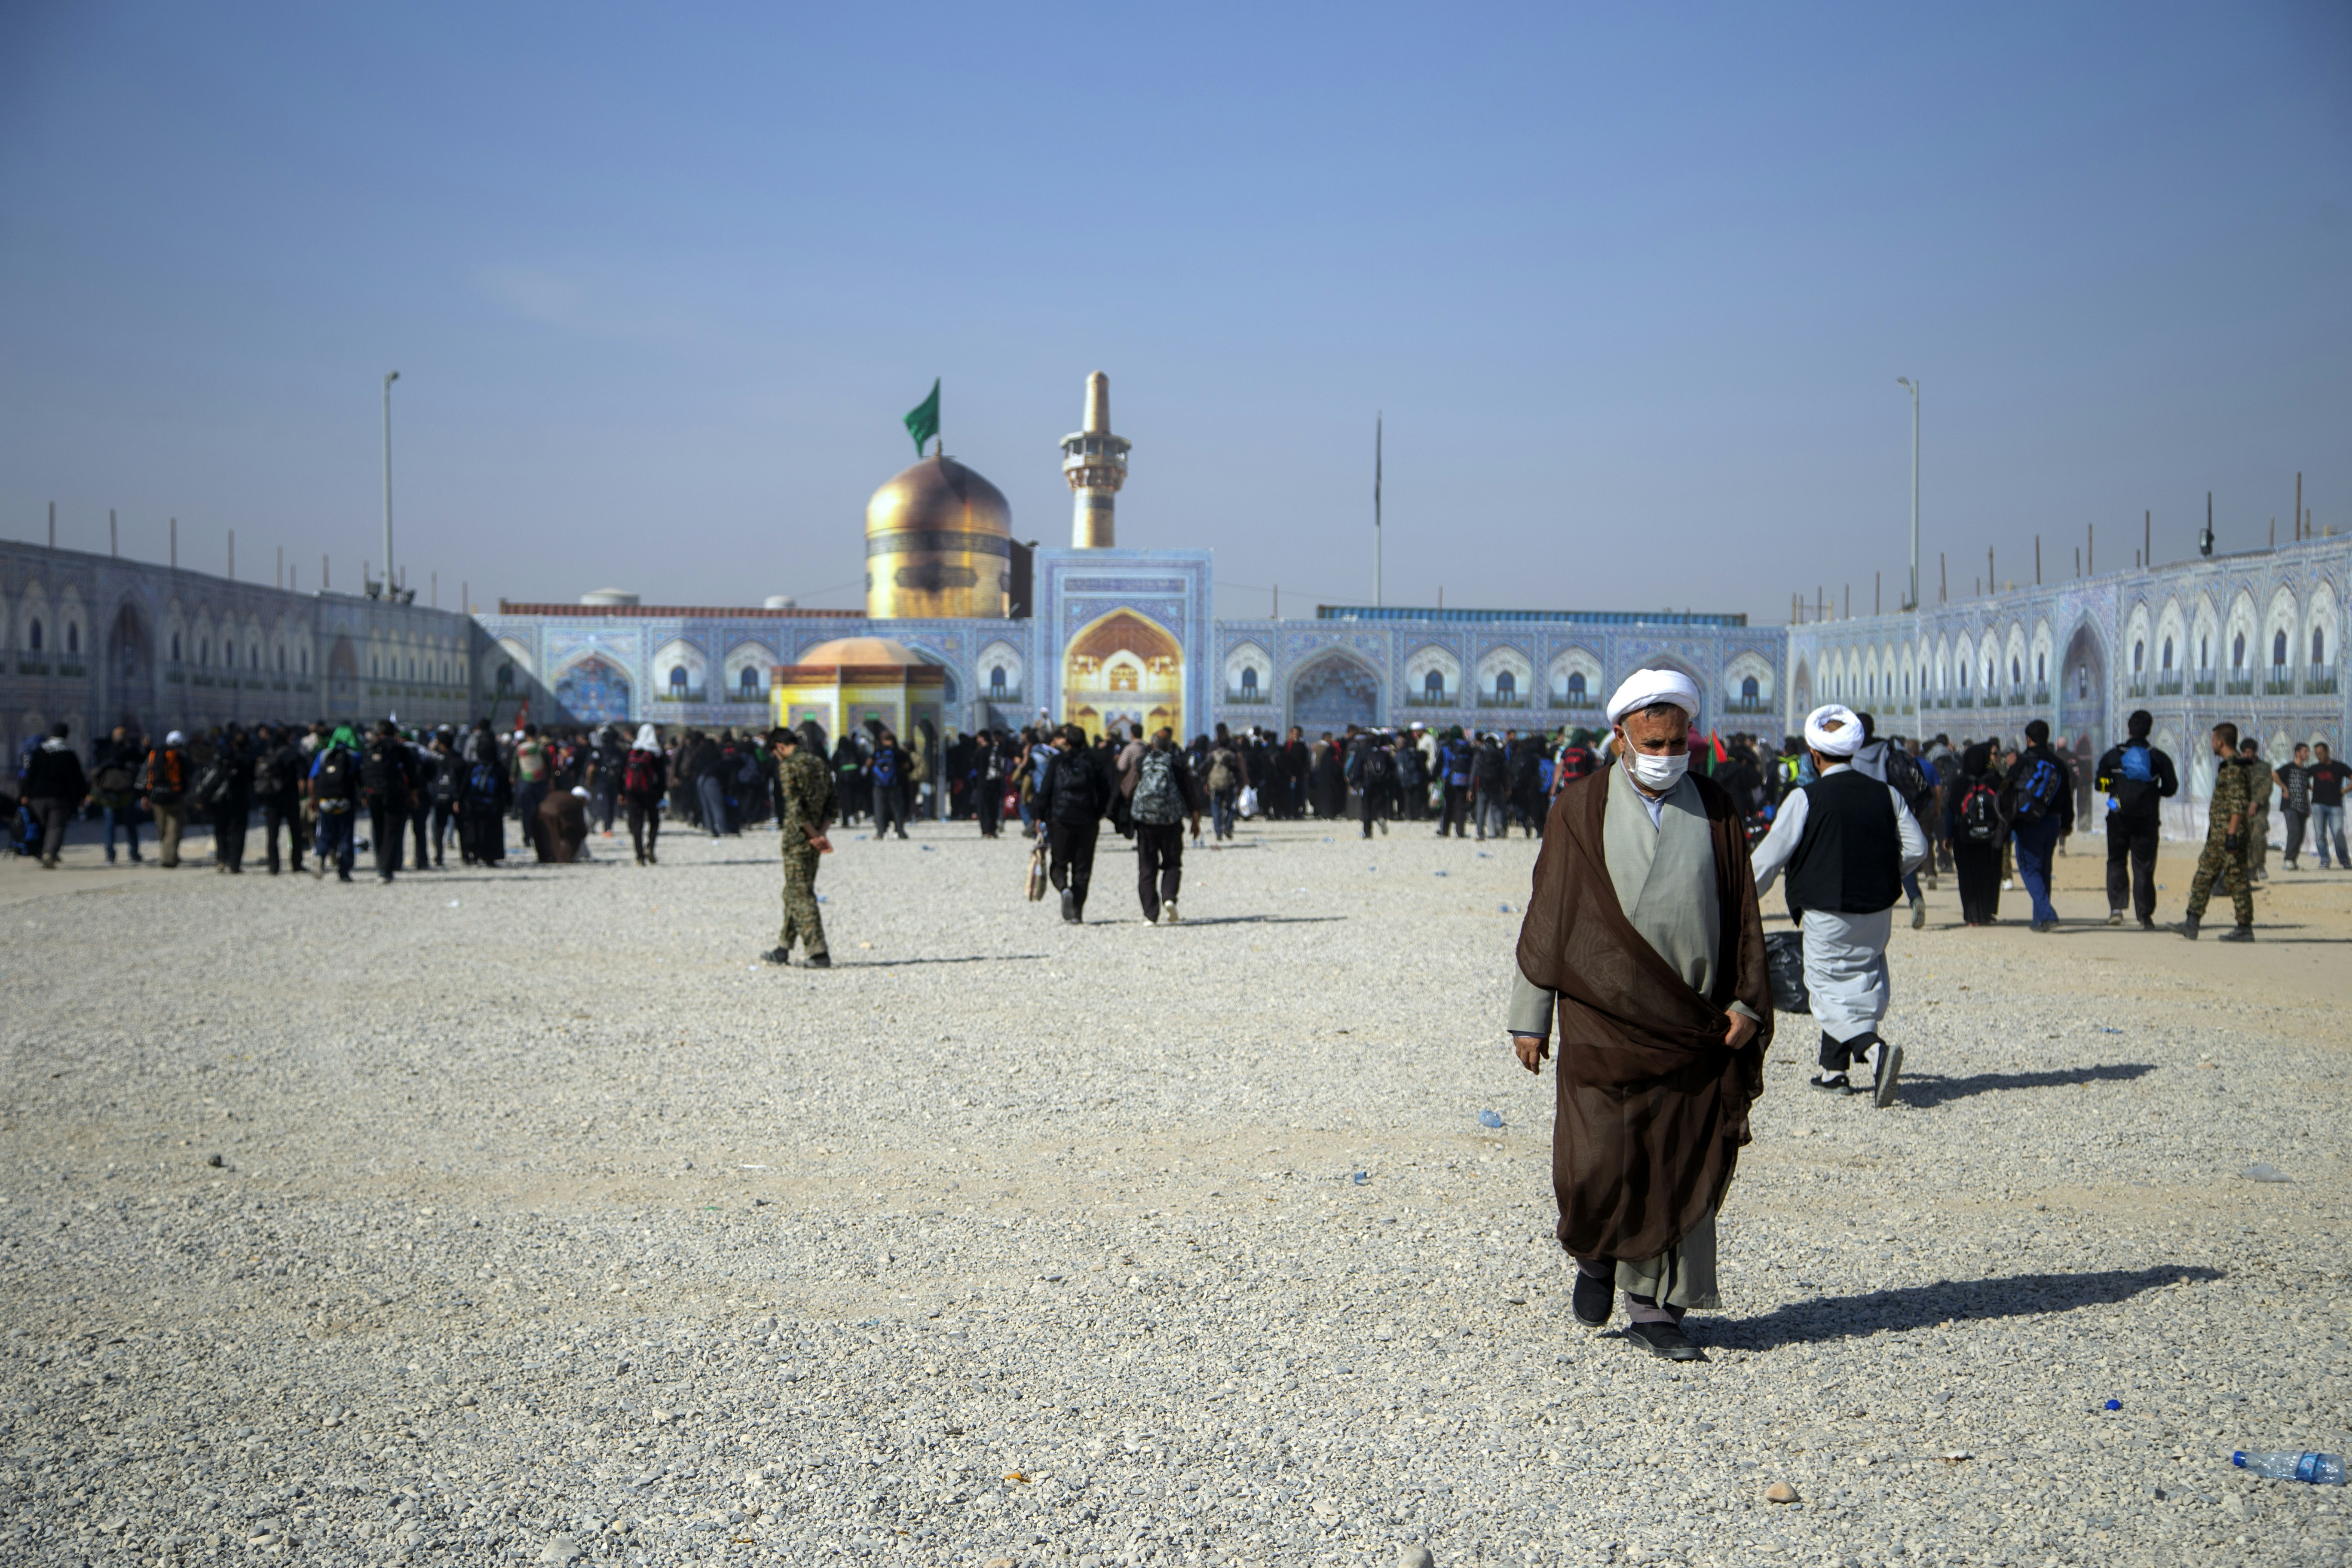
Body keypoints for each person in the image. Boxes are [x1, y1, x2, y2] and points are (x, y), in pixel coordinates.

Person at [1508, 668, 1772, 1363]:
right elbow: (1551, 912)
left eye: (1678, 740)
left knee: (1676, 1158)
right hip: (1601, 1020)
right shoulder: (1579, 807)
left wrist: (1746, 1000)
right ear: (1621, 738)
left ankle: (1655, 1304)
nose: (1667, 753)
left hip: (1692, 1024)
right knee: (1595, 1160)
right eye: (1654, 741)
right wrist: (1529, 1014)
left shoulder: (1714, 808)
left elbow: (1745, 912)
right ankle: (1596, 1252)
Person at [1750, 703, 1927, 1105]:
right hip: (1877, 910)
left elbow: (1769, 858)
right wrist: (1885, 872)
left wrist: (1742, 895)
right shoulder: (1887, 794)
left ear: (1815, 755)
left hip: (1826, 909)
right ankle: (1834, 1072)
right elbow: (1918, 848)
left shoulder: (1805, 797)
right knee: (1860, 980)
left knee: (1827, 988)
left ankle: (1874, 1050)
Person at [2094, 710, 2178, 926]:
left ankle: (2116, 909)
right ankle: (2145, 915)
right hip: (2147, 819)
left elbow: (2099, 785)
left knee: (2116, 861)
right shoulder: (2158, 757)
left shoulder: (2113, 756)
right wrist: (2153, 793)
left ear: (2129, 729)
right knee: (2143, 866)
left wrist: (2113, 789)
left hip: (2117, 816)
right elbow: (2171, 788)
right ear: (2150, 730)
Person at [761, 726, 835, 968]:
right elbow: (833, 803)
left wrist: (812, 835)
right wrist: (821, 834)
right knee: (793, 890)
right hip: (816, 836)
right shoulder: (819, 763)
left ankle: (818, 953)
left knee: (801, 894)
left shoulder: (789, 766)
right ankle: (783, 948)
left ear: (780, 747)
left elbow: (794, 807)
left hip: (798, 839)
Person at [2181, 722, 2255, 941]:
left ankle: (2244, 928)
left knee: (2236, 879)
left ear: (2220, 742)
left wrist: (2232, 835)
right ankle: (2191, 922)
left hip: (2230, 835)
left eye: (2213, 740)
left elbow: (2239, 804)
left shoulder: (2234, 768)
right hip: (2219, 835)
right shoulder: (2229, 766)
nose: (2212, 744)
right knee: (2204, 875)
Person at [2002, 720, 2076, 932]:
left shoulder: (2022, 762)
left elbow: (2008, 792)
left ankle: (2047, 914)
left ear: (2028, 739)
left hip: (2029, 822)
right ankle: (2039, 920)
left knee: (2028, 869)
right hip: (2052, 821)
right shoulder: (2058, 763)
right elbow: (2066, 796)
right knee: (2044, 869)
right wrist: (2068, 823)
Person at [1125, 726, 1204, 923]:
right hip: (1171, 823)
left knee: (1147, 869)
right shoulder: (1177, 764)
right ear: (1170, 745)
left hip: (1146, 824)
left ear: (1152, 745)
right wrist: (1195, 821)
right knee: (1172, 864)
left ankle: (1150, 915)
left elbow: (1127, 790)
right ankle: (1169, 898)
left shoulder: (1141, 762)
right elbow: (1190, 793)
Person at [1033, 724, 1109, 923]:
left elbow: (1046, 790)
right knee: (1082, 868)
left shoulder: (1058, 761)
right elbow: (1106, 791)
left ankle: (1064, 888)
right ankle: (1077, 912)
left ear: (1067, 742)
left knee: (1059, 863)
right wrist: (1098, 813)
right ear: (1085, 741)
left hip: (1061, 819)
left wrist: (1041, 816)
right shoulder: (1093, 762)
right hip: (1087, 820)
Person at [1949, 741, 2006, 925]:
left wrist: (1948, 835)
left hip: (1964, 835)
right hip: (1990, 837)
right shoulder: (1994, 780)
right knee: (1989, 873)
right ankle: (1987, 913)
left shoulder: (1960, 783)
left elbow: (1952, 811)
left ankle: (1971, 915)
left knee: (1966, 874)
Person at [21, 723, 87, 869]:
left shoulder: (40, 750)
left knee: (41, 825)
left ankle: (42, 852)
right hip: (59, 797)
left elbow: (30, 774)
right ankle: (49, 853)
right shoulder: (69, 753)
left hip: (37, 796)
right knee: (56, 827)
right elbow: (77, 777)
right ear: (66, 735)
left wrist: (24, 794)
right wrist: (82, 796)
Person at [359, 719, 414, 883]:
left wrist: (363, 793)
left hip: (372, 793)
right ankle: (386, 869)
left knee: (378, 828)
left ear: (380, 733)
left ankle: (379, 860)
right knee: (391, 830)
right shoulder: (399, 748)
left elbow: (363, 772)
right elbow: (411, 772)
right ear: (395, 733)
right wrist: (414, 793)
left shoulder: (370, 748)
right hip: (393, 794)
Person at [308, 724, 361, 882]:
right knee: (346, 835)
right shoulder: (355, 756)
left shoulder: (323, 755)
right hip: (345, 802)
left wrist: (313, 799)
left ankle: (319, 855)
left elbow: (312, 779)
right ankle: (344, 871)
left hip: (325, 801)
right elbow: (359, 779)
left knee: (325, 833)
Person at [257, 724, 310, 875]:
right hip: (290, 797)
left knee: (272, 834)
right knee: (295, 831)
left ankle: (274, 866)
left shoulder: (268, 753)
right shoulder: (292, 753)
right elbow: (304, 772)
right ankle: (296, 864)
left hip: (271, 798)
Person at [90, 724, 145, 865]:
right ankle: (133, 854)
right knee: (130, 824)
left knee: (110, 825)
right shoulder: (129, 751)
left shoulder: (105, 751)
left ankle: (110, 856)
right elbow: (144, 760)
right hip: (126, 793)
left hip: (108, 794)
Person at [208, 724, 253, 874]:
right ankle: (235, 864)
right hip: (239, 800)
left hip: (220, 799)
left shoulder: (222, 758)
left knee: (220, 829)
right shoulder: (247, 760)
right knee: (238, 831)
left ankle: (221, 859)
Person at [144, 729, 192, 868]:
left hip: (157, 797)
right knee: (174, 829)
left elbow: (146, 773)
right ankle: (169, 859)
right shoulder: (182, 756)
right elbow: (191, 775)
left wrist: (145, 795)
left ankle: (168, 855)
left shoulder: (156, 753)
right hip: (176, 797)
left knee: (162, 827)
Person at [2237, 738, 2275, 884]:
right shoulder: (2239, 767)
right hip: (2241, 809)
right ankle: (2250, 870)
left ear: (2255, 752)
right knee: (2245, 839)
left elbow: (2267, 787)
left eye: (2249, 752)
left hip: (2260, 809)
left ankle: (2260, 864)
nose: (2246, 755)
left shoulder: (2264, 767)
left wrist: (2256, 802)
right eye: (2244, 752)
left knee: (2258, 836)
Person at [2309, 741, 2349, 870]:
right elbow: (2302, 778)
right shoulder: (2314, 768)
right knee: (2320, 835)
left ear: (2327, 752)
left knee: (2338, 833)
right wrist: (2310, 788)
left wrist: (2344, 791)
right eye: (2316, 754)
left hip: (2335, 806)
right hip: (2318, 805)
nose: (2319, 756)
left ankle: (2344, 860)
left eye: (2320, 754)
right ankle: (2325, 860)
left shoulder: (2339, 767)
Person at [868, 730, 913, 840]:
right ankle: (900, 831)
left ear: (882, 740)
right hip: (896, 785)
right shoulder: (899, 752)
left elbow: (869, 764)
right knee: (897, 809)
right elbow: (909, 766)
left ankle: (881, 832)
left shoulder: (878, 752)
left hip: (879, 786)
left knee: (880, 809)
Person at [2276, 742, 2313, 870]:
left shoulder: (2305, 771)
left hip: (2302, 806)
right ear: (2298, 753)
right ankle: (2288, 859)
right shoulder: (2289, 767)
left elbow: (2305, 789)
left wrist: (2308, 806)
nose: (2308, 754)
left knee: (2301, 834)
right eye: (2305, 752)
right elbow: (2274, 775)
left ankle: (2293, 859)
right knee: (2294, 831)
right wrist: (2285, 788)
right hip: (2290, 805)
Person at [1436, 726, 1474, 837]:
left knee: (1448, 805)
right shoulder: (1467, 747)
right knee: (1461, 806)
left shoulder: (1446, 747)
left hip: (1449, 779)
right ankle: (1460, 832)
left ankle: (1444, 831)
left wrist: (1434, 777)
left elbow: (1439, 764)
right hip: (1463, 779)